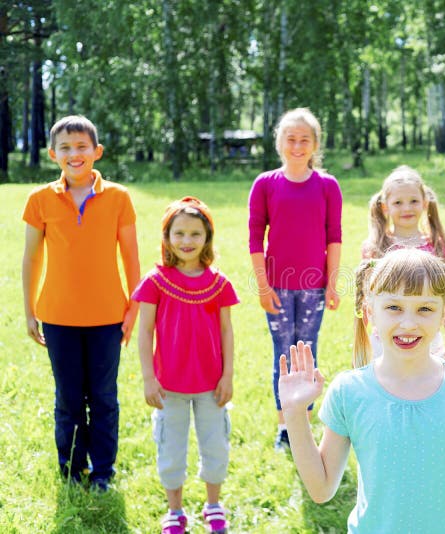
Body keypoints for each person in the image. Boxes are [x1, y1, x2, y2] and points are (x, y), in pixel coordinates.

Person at [279, 249, 445, 533]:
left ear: (443, 314)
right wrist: (295, 413)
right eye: (394, 307)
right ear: (371, 312)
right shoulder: (349, 392)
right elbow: (321, 489)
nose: (409, 323)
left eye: (425, 309)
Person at [21, 115, 141, 491]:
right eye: (66, 148)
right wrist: (29, 311)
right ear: (52, 154)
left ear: (97, 151)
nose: (74, 154)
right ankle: (72, 470)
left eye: (82, 147)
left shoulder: (118, 197)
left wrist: (134, 308)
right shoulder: (39, 200)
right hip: (58, 318)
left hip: (108, 317)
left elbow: (131, 257)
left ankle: (103, 471)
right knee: (69, 398)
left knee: (104, 397)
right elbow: (31, 259)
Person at [133, 197, 238, 534]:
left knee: (215, 445)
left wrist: (228, 375)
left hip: (211, 385)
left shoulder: (219, 283)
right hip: (168, 386)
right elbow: (144, 331)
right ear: (166, 237)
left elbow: (226, 331)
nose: (187, 241)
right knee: (171, 448)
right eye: (179, 233)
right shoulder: (155, 281)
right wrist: (148, 378)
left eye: (195, 234)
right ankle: (175, 510)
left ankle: (213, 505)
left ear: (207, 238)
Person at [248, 108, 343, 451]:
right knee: (283, 353)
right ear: (280, 143)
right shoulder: (265, 184)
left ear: (315, 144)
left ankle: (302, 422)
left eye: (305, 140)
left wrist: (332, 284)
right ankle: (284, 427)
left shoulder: (327, 186)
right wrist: (263, 287)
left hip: (313, 287)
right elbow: (255, 238)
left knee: (307, 351)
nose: (298, 146)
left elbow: (334, 237)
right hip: (276, 286)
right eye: (291, 139)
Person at [361, 165, 445, 359]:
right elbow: (365, 301)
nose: (407, 208)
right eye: (398, 202)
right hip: (385, 341)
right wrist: (361, 347)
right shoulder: (376, 248)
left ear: (425, 203)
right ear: (385, 206)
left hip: (427, 340)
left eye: (413, 201)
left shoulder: (437, 247)